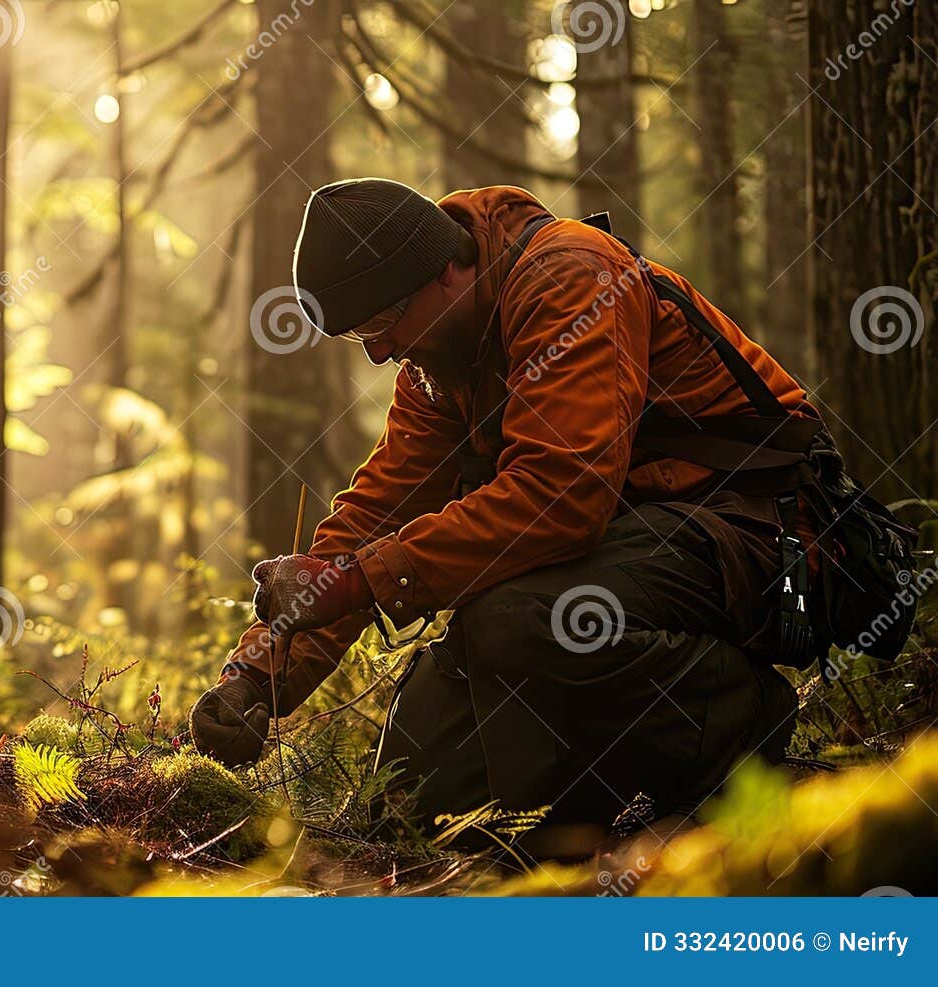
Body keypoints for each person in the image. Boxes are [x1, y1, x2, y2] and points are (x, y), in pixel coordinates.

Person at [189, 179, 808, 840]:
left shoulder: (570, 276)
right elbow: (374, 515)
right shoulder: (442, 365)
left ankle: (745, 724)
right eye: (358, 335)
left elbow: (562, 492)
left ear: (445, 273)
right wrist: (256, 675)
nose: (378, 350)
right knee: (410, 802)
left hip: (757, 533)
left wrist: (356, 581)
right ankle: (586, 820)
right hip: (633, 558)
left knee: (515, 619)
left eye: (379, 322)